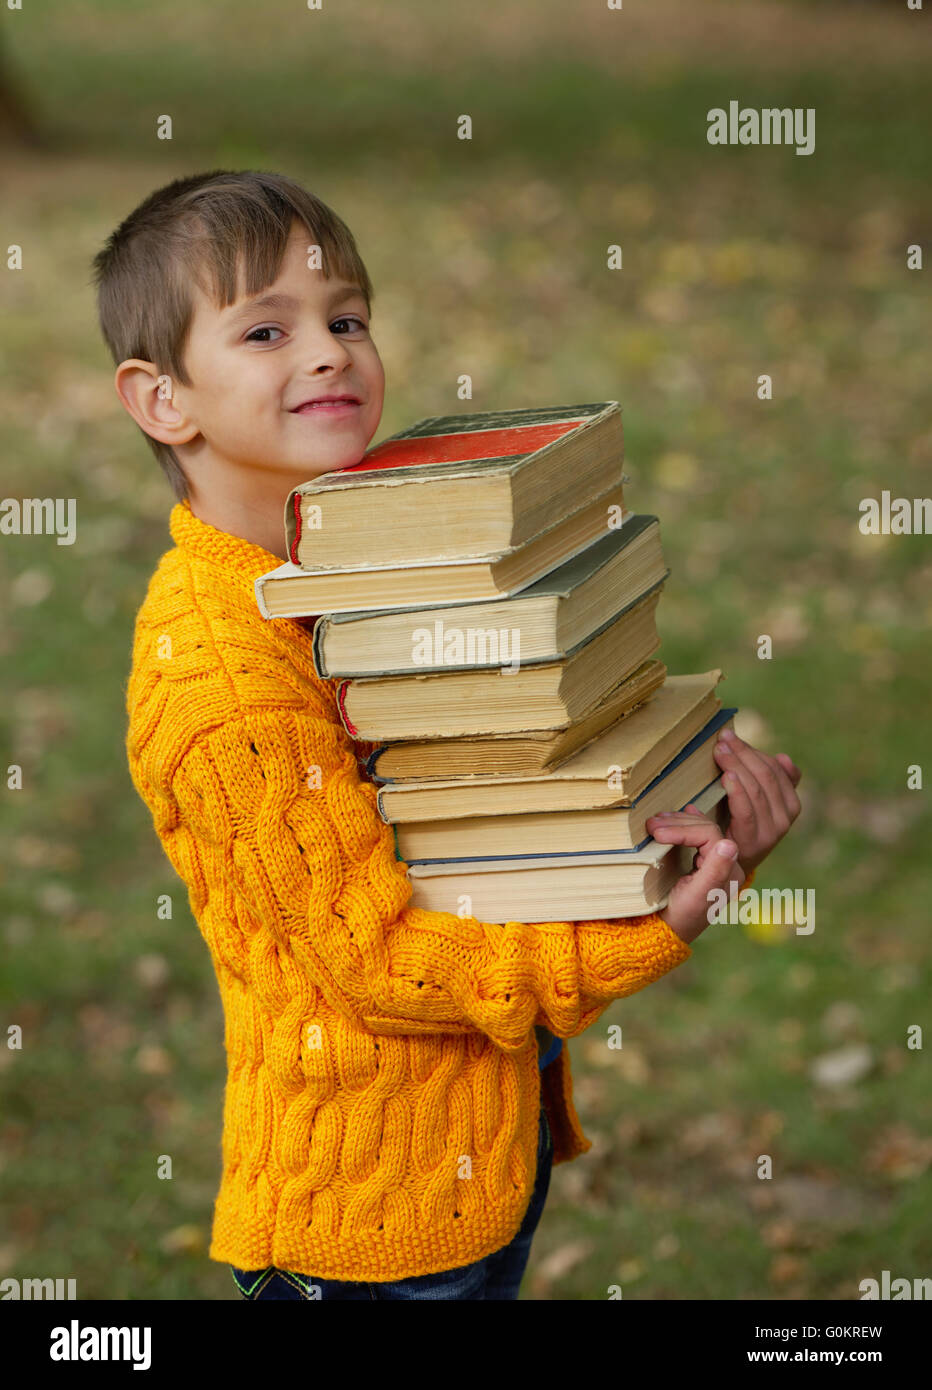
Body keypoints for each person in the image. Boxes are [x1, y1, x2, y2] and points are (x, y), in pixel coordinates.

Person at [92, 169, 802, 1301]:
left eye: (346, 317)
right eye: (266, 329)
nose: (328, 351)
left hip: (482, 1145)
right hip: (375, 1224)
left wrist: (677, 830)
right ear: (162, 399)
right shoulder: (219, 683)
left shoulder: (375, 566)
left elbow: (495, 811)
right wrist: (651, 927)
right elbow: (377, 963)